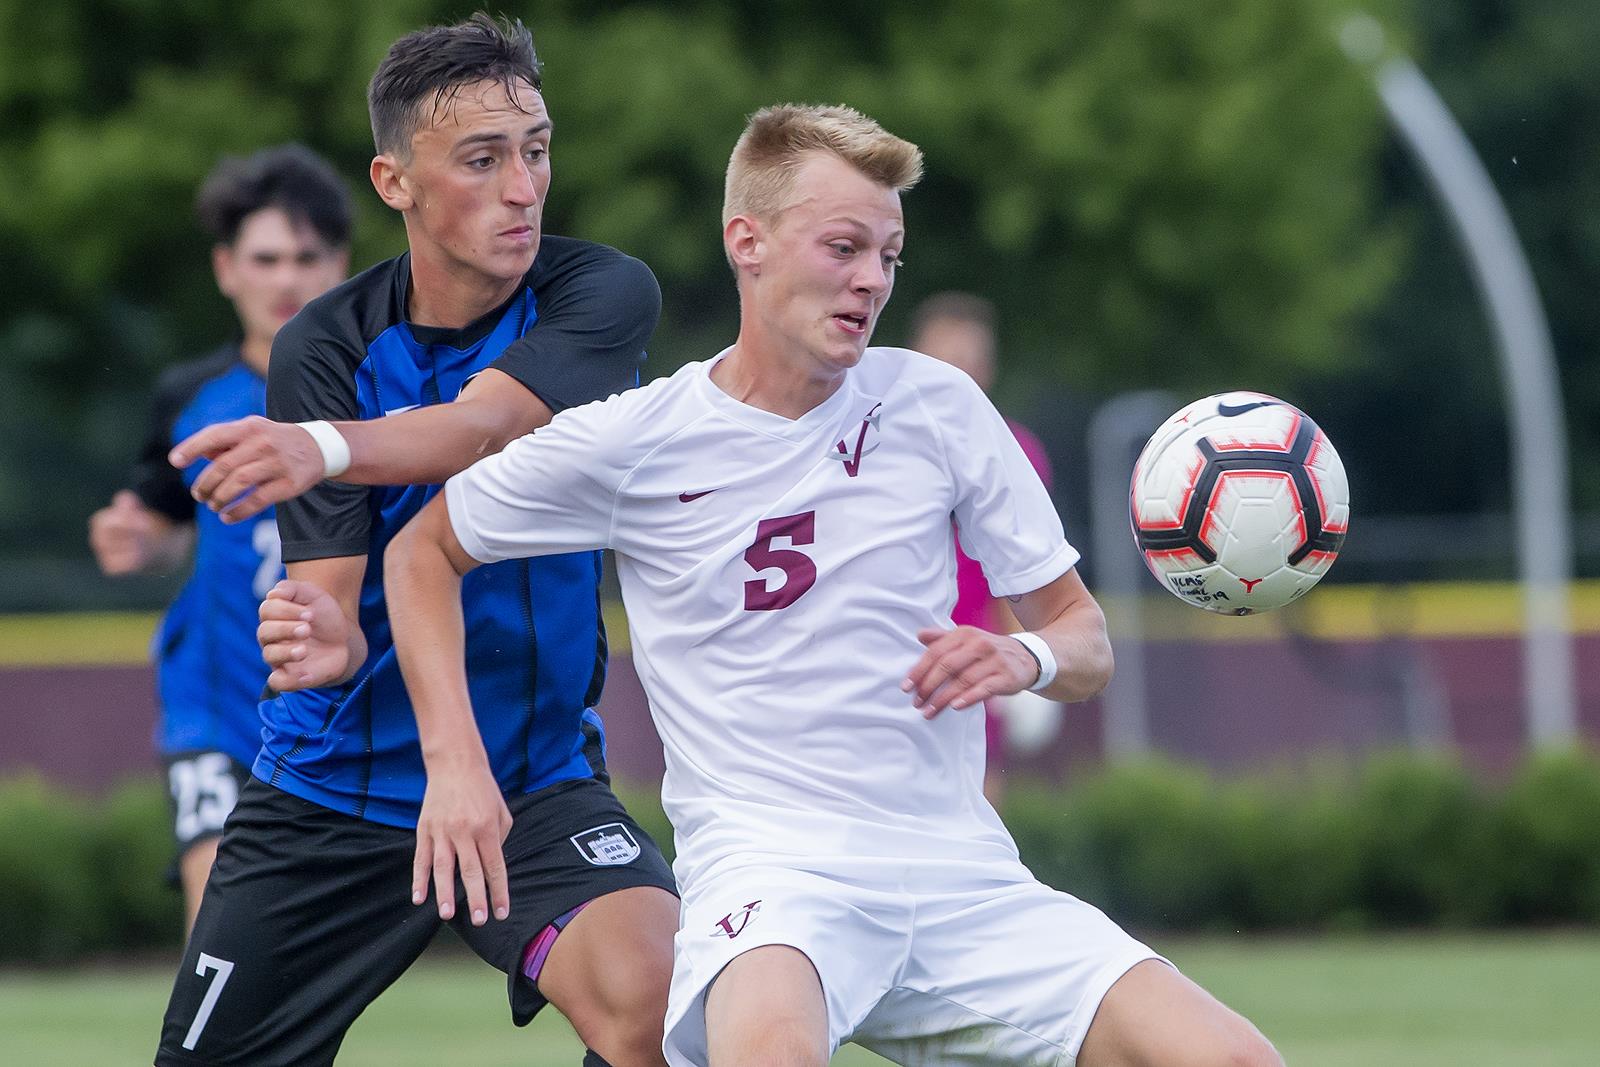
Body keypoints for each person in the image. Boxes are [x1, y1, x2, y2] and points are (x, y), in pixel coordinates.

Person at [384, 104, 1284, 1067]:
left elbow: (1084, 641)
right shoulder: (635, 438)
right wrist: (456, 762)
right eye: (845, 246)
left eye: (889, 257)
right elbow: (420, 553)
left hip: (962, 877)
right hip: (775, 877)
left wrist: (1018, 655)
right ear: (749, 242)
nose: (871, 280)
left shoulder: (936, 404)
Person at [155, 15, 677, 1067]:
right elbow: (335, 607)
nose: (523, 187)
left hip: (528, 783)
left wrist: (318, 447)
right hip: (330, 793)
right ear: (393, 182)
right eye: (482, 160)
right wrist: (319, 636)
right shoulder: (324, 344)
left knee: (666, 1008)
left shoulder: (600, 292)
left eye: (535, 150)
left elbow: (481, 426)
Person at [87, 144, 352, 934]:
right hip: (219, 709)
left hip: (343, 708)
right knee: (224, 925)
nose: (287, 279)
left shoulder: (386, 395)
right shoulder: (191, 399)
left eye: (306, 257)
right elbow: (163, 528)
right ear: (226, 268)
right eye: (264, 258)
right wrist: (135, 541)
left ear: (340, 263)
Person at [908, 291, 1056, 805]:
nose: (958, 376)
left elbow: (1024, 576)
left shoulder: (1014, 452)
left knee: (975, 825)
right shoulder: (870, 446)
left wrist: (1033, 650)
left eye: (969, 363)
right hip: (882, 662)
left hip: (972, 664)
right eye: (946, 362)